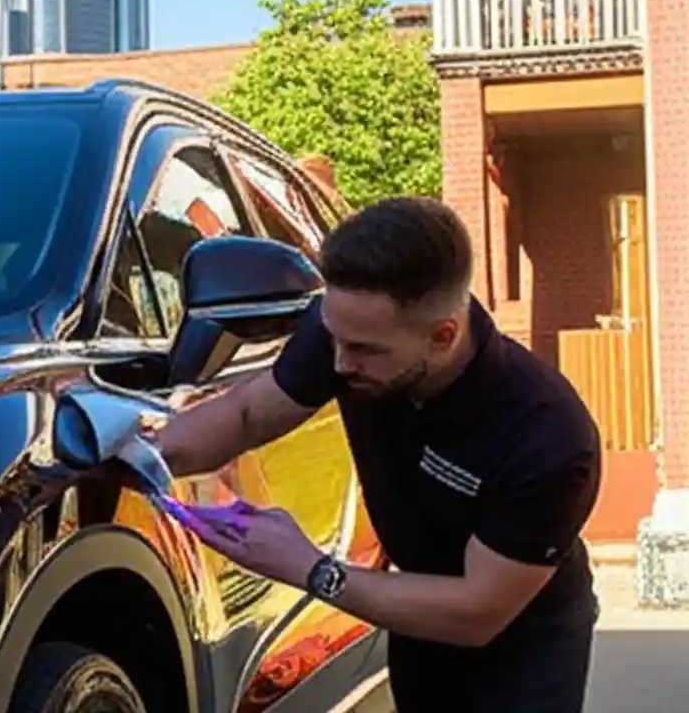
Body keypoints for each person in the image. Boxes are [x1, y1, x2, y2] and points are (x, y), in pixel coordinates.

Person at [147, 196, 602, 712]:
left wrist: (310, 568)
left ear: (443, 336)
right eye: (333, 338)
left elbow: (477, 612)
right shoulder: (352, 332)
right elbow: (249, 413)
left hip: (519, 638)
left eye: (365, 350)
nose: (340, 363)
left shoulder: (547, 436)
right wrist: (141, 459)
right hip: (411, 612)